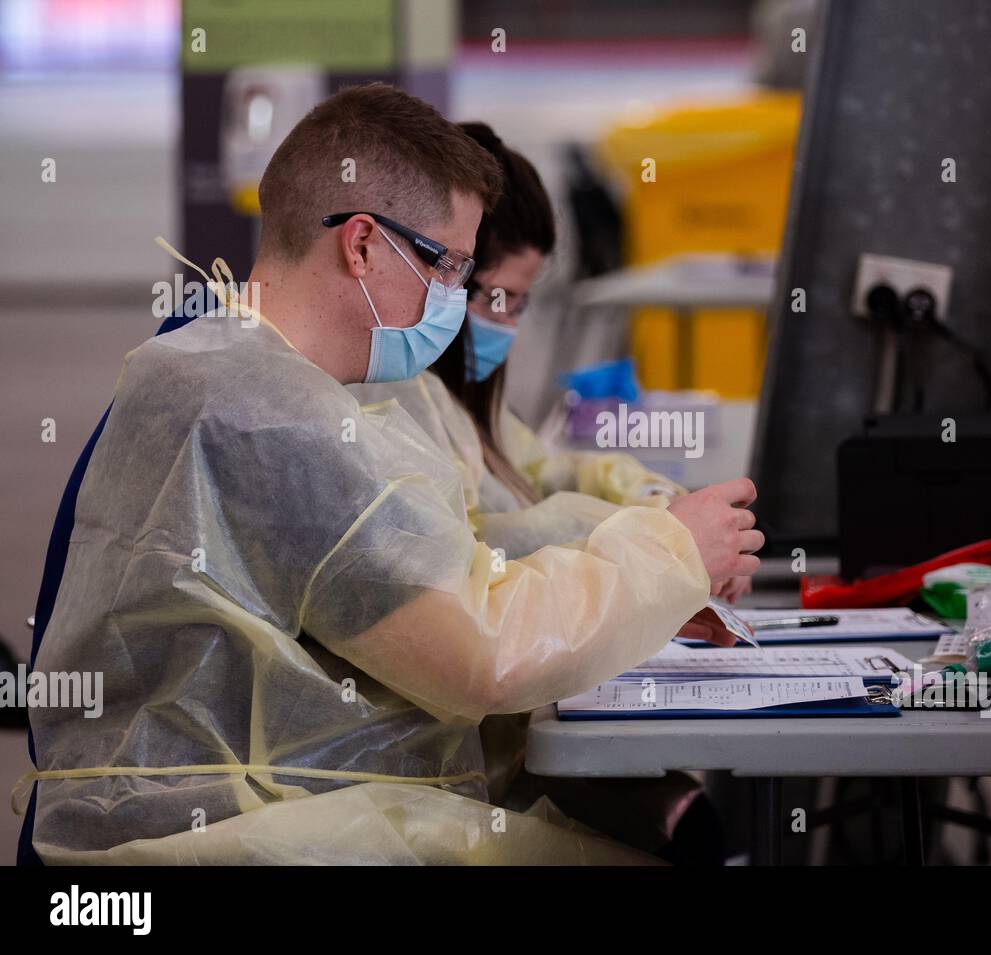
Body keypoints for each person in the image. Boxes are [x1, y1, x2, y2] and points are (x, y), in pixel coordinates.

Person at [23, 83, 762, 865]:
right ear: (364, 245)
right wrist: (669, 554)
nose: (457, 300)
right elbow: (484, 654)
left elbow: (453, 581)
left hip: (270, 807)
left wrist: (646, 589)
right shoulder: (269, 415)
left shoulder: (243, 369)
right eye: (449, 267)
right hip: (243, 832)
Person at [351, 122, 752, 601]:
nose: (508, 322)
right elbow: (473, 560)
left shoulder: (456, 405)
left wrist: (652, 502)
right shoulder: (388, 398)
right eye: (497, 297)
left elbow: (543, 468)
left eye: (520, 303)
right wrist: (658, 540)